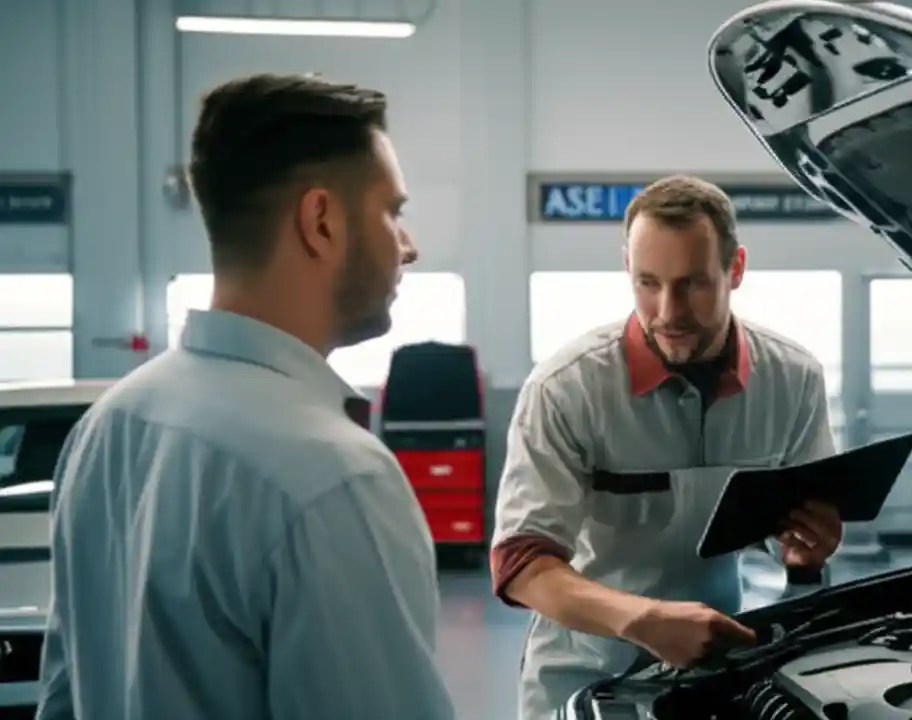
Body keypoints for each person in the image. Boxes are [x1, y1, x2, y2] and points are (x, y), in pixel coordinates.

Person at [35, 73, 455, 720]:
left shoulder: (108, 426)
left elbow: (64, 697)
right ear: (320, 222)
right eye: (392, 212)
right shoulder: (334, 478)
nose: (409, 246)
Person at [490, 174, 845, 718]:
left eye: (692, 284)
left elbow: (795, 532)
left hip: (718, 664)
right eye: (647, 283)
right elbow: (520, 563)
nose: (667, 311)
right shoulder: (565, 388)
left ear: (736, 269)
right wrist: (645, 621)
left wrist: (804, 550)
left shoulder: (793, 380)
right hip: (583, 672)